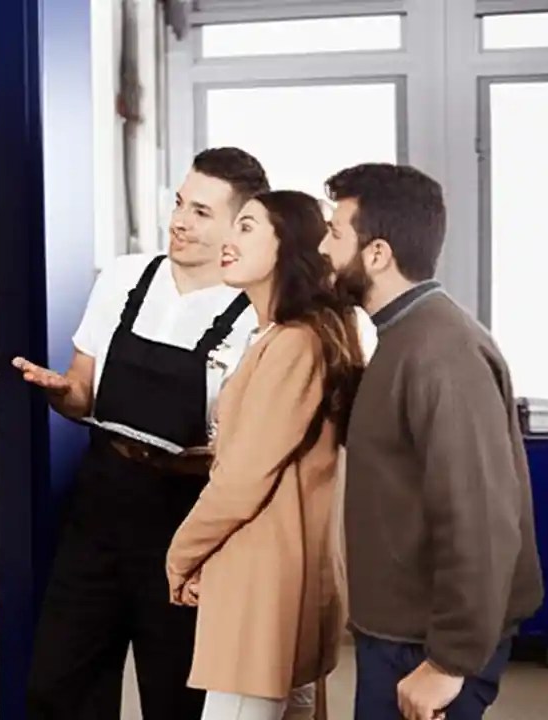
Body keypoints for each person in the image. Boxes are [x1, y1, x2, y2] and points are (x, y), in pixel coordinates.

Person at [12, 147, 269, 720]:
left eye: (201, 212)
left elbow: (257, 443)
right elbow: (83, 394)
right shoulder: (125, 277)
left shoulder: (254, 311)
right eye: (179, 203)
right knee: (60, 684)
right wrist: (60, 392)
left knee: (177, 694)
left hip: (188, 520)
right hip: (101, 501)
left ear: (239, 225)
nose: (179, 221)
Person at [318, 163, 544, 720]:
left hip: (425, 647)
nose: (322, 249)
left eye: (334, 233)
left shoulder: (441, 351)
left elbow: (481, 515)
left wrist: (449, 661)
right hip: (402, 635)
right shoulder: (403, 336)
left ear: (377, 254)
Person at [164, 190, 364, 720]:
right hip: (278, 578)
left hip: (262, 586)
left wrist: (181, 553)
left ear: (287, 246)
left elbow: (243, 479)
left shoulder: (293, 344)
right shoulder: (295, 335)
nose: (229, 240)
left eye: (247, 227)